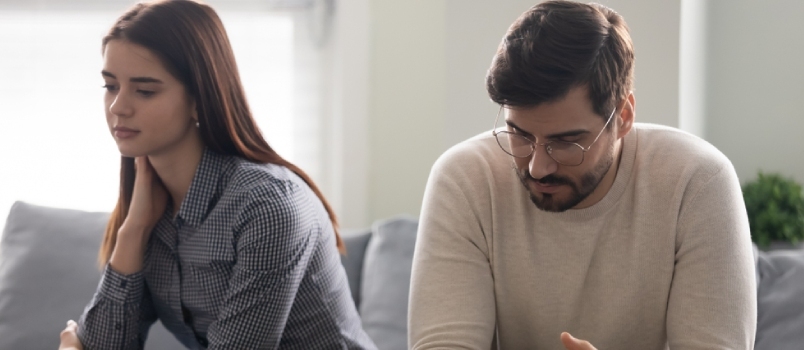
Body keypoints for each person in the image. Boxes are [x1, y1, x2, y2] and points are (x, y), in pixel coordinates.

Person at [408, 1, 757, 349]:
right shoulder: (465, 180)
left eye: (566, 142)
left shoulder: (698, 184)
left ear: (623, 117)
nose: (537, 167)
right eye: (519, 135)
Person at [57, 1, 376, 349]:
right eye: (111, 86)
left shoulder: (268, 206)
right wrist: (133, 231)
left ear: (199, 98)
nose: (118, 107)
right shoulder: (150, 209)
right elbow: (103, 344)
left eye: (145, 90)